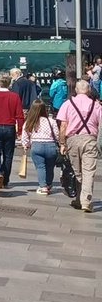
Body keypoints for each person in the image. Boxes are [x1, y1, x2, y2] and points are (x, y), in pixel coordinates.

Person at [57, 79, 100, 211]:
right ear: (89, 91)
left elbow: (63, 126)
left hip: (73, 140)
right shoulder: (97, 105)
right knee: (89, 171)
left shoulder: (67, 104)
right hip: (90, 140)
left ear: (76, 90)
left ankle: (80, 199)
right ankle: (85, 200)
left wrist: (62, 143)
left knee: (77, 172)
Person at [20, 100, 61, 196]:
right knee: (50, 167)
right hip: (51, 145)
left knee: (40, 167)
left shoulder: (29, 122)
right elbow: (57, 135)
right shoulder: (51, 121)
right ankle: (49, 184)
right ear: (44, 109)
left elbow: (25, 135)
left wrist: (25, 145)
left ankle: (43, 187)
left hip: (36, 145)